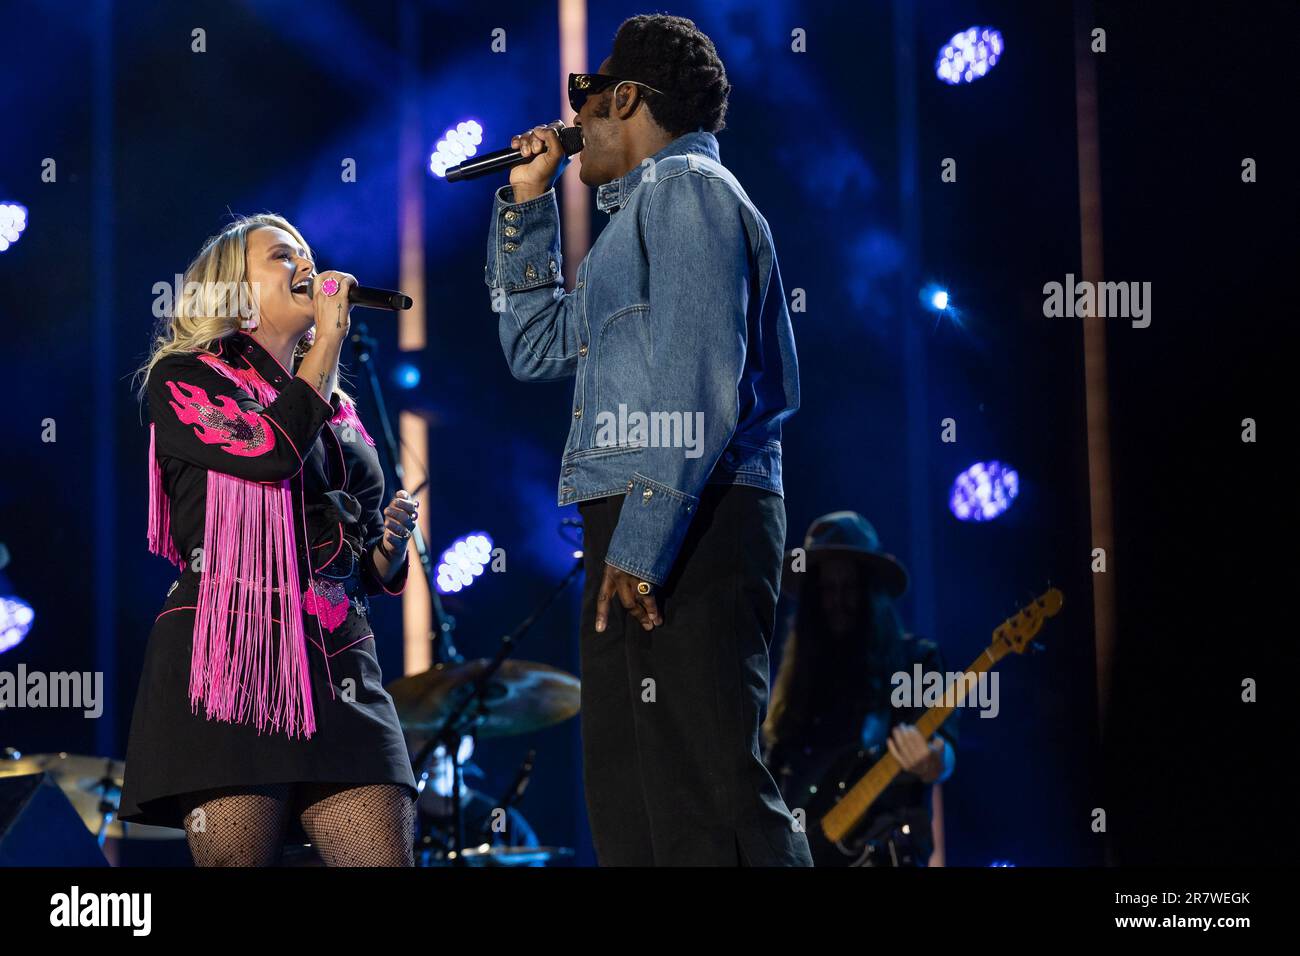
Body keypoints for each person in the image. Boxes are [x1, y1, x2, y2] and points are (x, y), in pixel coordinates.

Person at [486, 14, 807, 865]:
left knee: (710, 795)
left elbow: (701, 385)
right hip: (638, 518)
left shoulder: (688, 191)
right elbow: (535, 347)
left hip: (693, 515)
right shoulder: (632, 226)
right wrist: (526, 209)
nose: (572, 126)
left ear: (623, 97)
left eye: (582, 101)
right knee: (633, 804)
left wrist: (644, 540)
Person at [118, 213, 420, 866]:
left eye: (309, 254)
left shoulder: (337, 411)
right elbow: (267, 452)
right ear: (234, 292)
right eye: (283, 256)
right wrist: (326, 349)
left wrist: (384, 553)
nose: (306, 266)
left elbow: (348, 551)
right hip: (234, 652)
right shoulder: (186, 381)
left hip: (338, 662)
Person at [763, 512, 958, 867]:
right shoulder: (798, 679)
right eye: (827, 589)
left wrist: (932, 761)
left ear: (871, 592)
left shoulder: (915, 662)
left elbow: (943, 747)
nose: (838, 601)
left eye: (849, 587)